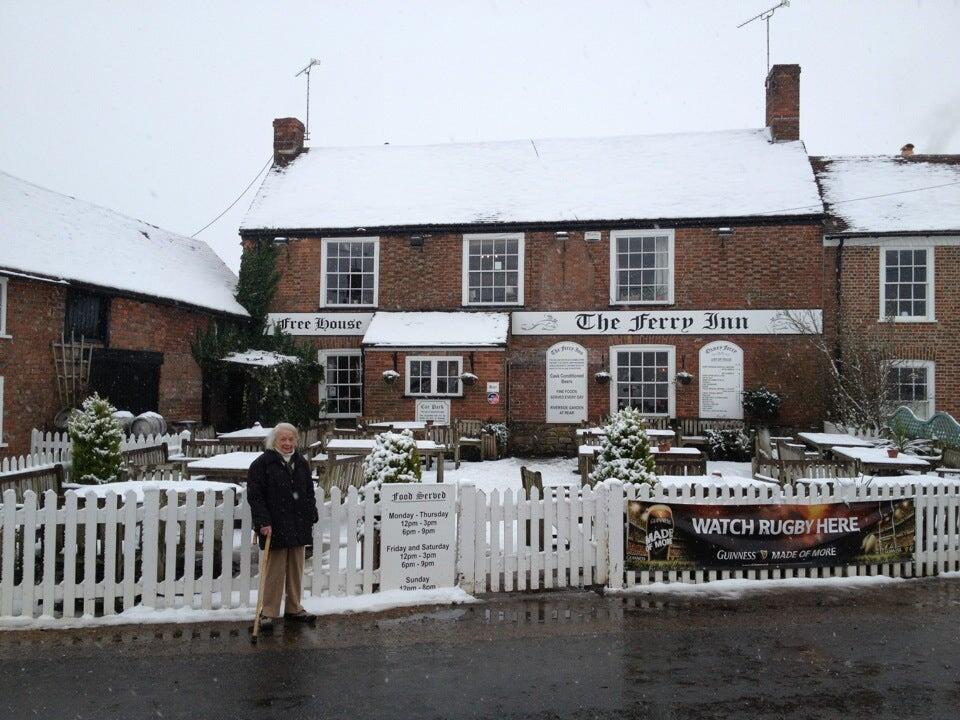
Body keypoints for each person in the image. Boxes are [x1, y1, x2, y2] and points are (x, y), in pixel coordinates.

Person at [247, 422, 318, 630]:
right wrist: (263, 522)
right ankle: (268, 612)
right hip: (275, 525)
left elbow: (308, 492)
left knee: (296, 569)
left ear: (296, 440)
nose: (287, 443)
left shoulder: (301, 463)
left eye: (291, 439)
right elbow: (256, 496)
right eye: (283, 439)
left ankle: (294, 608)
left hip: (298, 524)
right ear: (274, 441)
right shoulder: (262, 464)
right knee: (274, 571)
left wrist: (311, 513)